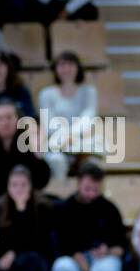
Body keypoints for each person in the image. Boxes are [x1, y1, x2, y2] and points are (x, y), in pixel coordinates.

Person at [51, 162, 127, 271]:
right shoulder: (65, 208)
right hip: (75, 259)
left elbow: (121, 246)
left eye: (95, 190)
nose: (91, 194)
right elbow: (63, 246)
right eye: (87, 189)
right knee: (61, 268)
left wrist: (107, 251)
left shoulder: (110, 209)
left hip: (103, 259)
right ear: (79, 183)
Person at [0, 98, 51, 208]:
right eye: (0, 119)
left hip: (25, 200)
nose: (5, 123)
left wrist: (38, 156)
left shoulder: (27, 142)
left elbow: (42, 181)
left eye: (9, 117)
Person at [0, 165, 54, 271]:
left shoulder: (42, 206)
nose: (19, 189)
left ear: (30, 186)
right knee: (30, 262)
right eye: (14, 185)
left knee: (31, 260)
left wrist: (22, 211)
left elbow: (39, 242)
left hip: (36, 260)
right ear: (8, 187)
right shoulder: (0, 207)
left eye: (23, 185)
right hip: (7, 264)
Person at [36, 49, 97, 179]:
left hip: (82, 141)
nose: (66, 70)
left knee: (92, 164)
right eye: (62, 65)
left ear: (77, 68)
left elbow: (88, 116)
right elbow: (48, 122)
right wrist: (64, 137)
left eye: (70, 65)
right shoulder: (46, 94)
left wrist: (72, 135)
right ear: (56, 69)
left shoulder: (89, 92)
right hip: (55, 143)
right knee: (56, 161)